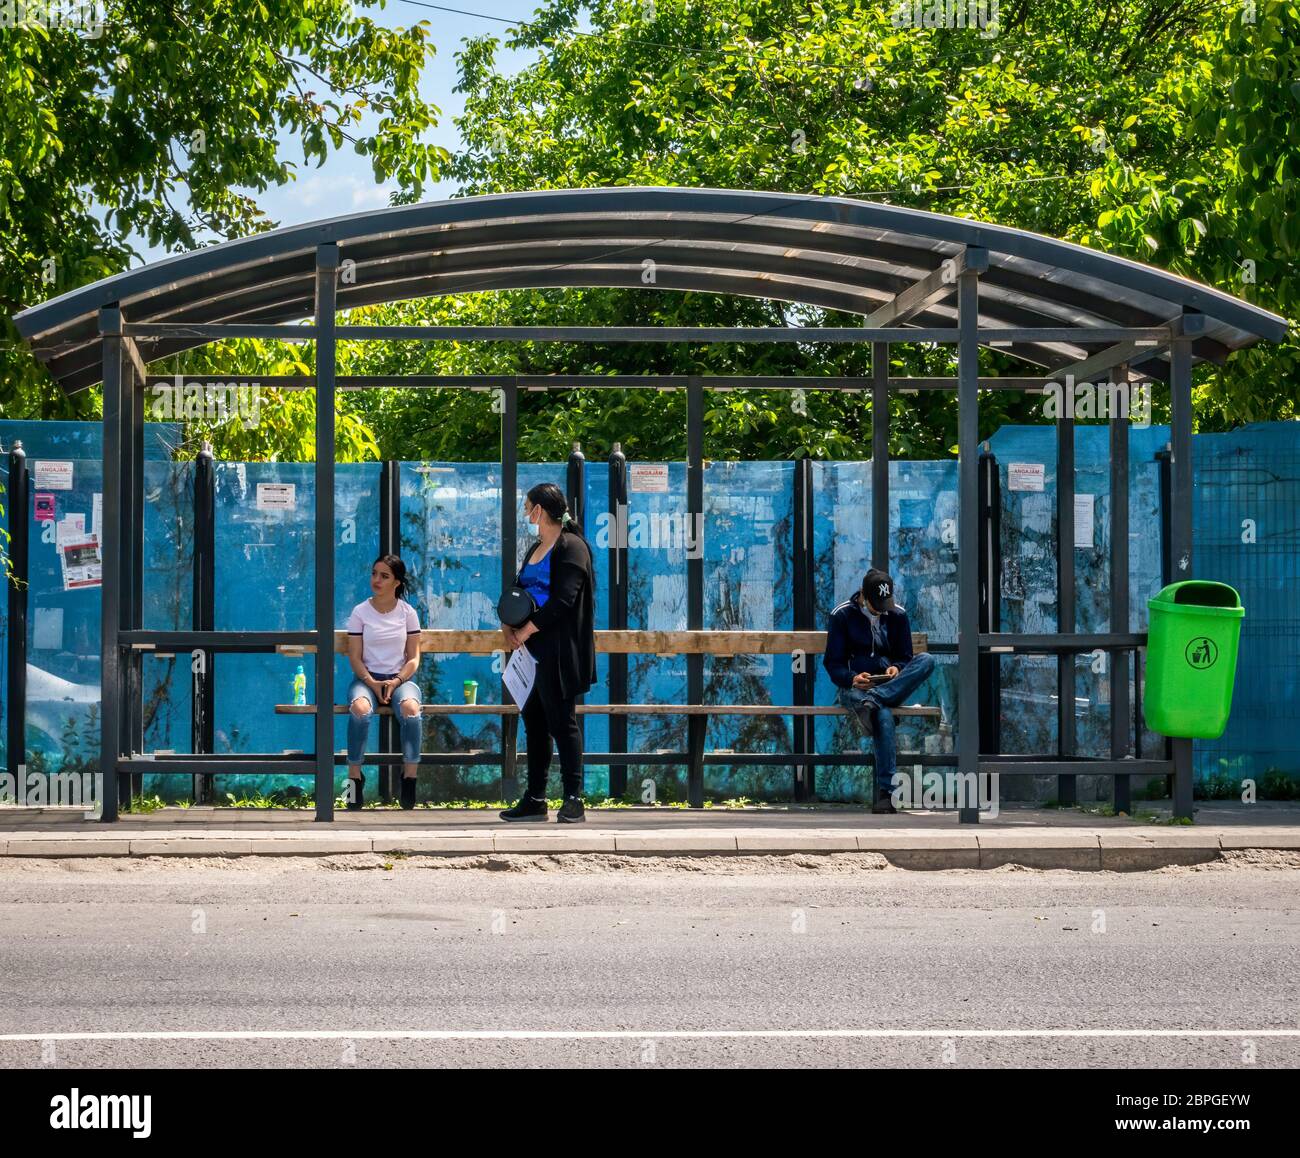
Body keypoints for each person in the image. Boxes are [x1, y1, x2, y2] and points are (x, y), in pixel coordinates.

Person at [498, 482, 596, 824]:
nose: (527, 514)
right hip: (530, 653)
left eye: (529, 507)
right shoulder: (535, 548)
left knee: (562, 723)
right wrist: (509, 625)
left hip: (558, 652)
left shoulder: (572, 547)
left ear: (541, 509)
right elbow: (517, 589)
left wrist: (527, 628)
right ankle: (536, 797)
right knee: (535, 725)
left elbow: (564, 600)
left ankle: (573, 797)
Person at [823, 568, 935, 814]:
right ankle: (886, 794)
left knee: (926, 660)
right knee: (882, 714)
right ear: (862, 595)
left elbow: (906, 657)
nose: (882, 610)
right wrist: (853, 678)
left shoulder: (897, 614)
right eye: (876, 605)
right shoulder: (842, 615)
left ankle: (874, 700)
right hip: (856, 688)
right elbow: (833, 664)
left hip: (887, 686)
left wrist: (897, 667)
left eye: (885, 604)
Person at [344, 554, 423, 810]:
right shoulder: (360, 612)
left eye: (384, 576)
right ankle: (353, 779)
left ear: (397, 582)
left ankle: (409, 776)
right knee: (359, 709)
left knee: (411, 709)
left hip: (400, 679)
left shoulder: (408, 613)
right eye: (374, 573)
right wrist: (372, 682)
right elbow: (355, 657)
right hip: (366, 679)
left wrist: (397, 680)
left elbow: (413, 658)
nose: (376, 580)